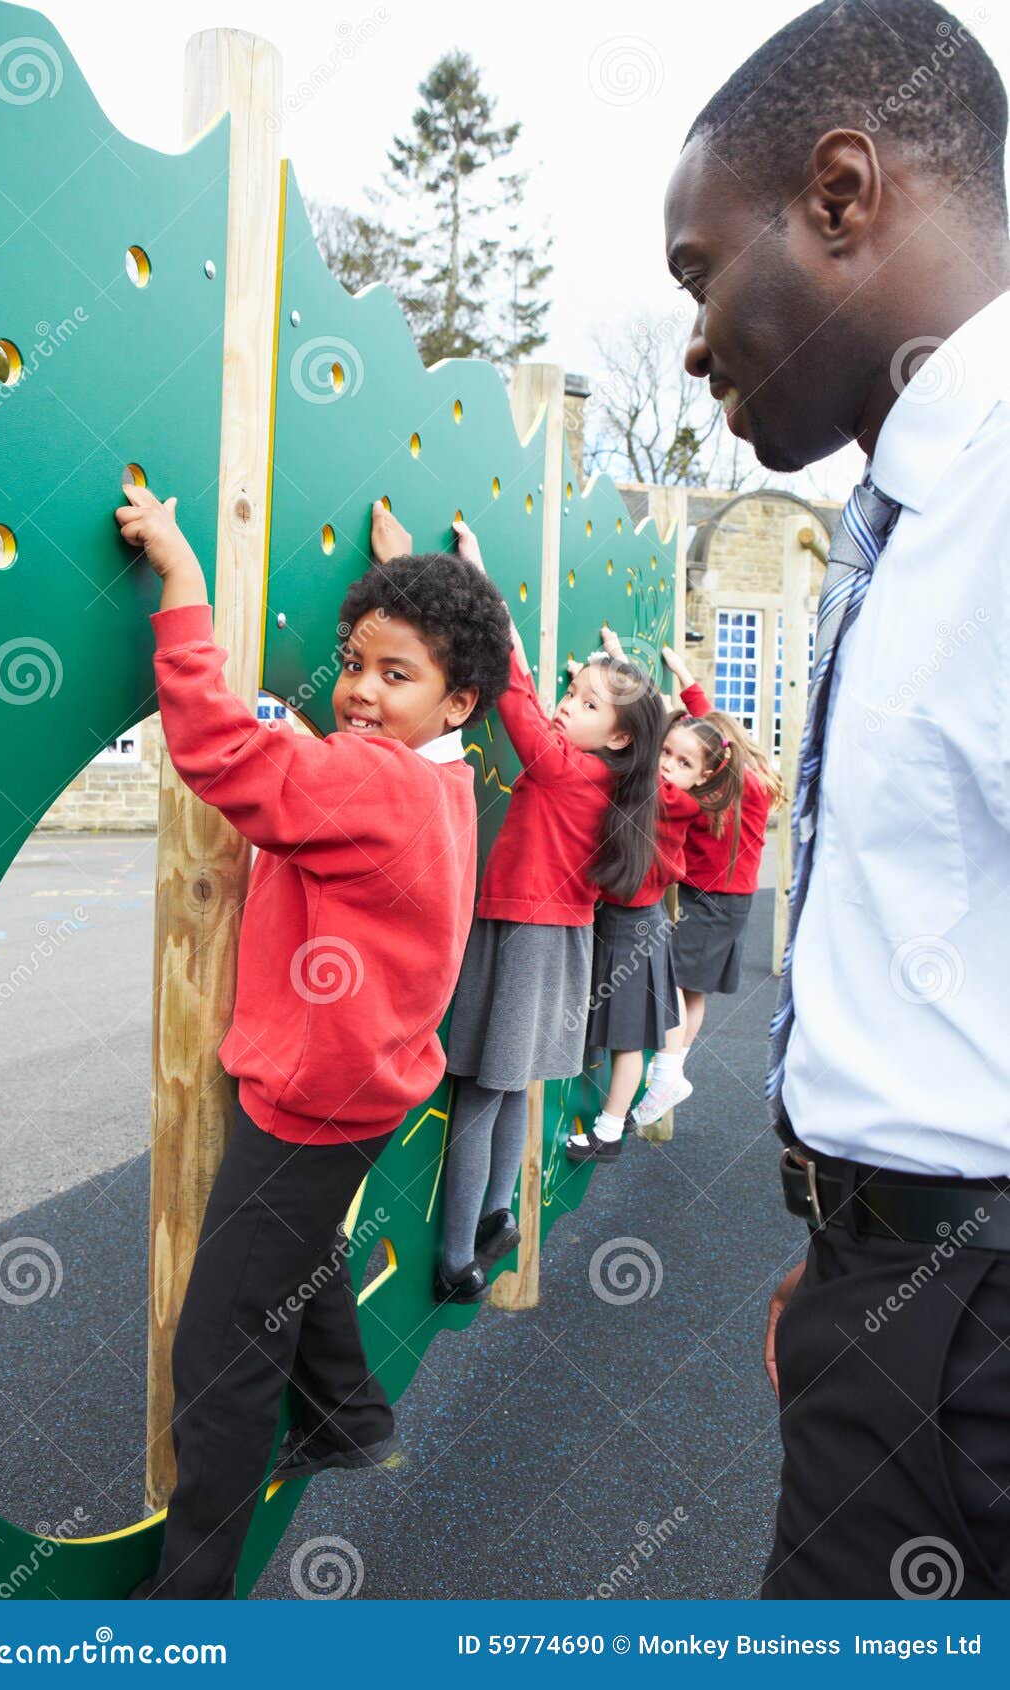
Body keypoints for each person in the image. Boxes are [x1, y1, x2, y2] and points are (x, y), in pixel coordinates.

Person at [666, 0, 1010, 1599]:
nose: (688, 338)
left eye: (696, 271)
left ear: (841, 193)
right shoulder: (917, 507)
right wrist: (856, 1256)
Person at [113, 486, 511, 1597]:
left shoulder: (375, 782)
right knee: (292, 1252)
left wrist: (185, 584)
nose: (359, 691)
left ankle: (186, 1604)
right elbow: (325, 783)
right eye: (355, 663)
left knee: (224, 1339)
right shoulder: (445, 780)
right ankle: (347, 1414)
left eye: (396, 676)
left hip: (313, 1094)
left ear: (457, 701)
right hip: (366, 1080)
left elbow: (221, 753)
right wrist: (421, 565)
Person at [431, 522, 666, 1298]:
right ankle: (496, 1213)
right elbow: (534, 689)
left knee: (479, 1090)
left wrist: (478, 573)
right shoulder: (606, 784)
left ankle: (457, 1254)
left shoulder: (567, 771)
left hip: (525, 939)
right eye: (573, 692)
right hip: (552, 942)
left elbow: (512, 688)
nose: (568, 705)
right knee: (509, 1085)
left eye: (587, 701)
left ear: (619, 736)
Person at [562, 631, 705, 1164]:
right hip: (632, 918)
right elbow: (651, 718)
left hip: (635, 923)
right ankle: (621, 1114)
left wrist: (610, 682)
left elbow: (650, 719)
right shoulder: (654, 784)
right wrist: (608, 668)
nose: (666, 763)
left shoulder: (666, 797)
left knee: (626, 1035)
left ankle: (610, 1128)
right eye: (666, 754)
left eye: (682, 762)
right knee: (623, 1029)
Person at [630, 644, 784, 1129]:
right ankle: (674, 1064)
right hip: (727, 902)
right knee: (691, 989)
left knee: (672, 978)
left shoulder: (725, 791)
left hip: (713, 901)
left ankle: (669, 1069)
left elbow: (700, 744)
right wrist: (683, 676)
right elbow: (704, 729)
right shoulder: (749, 780)